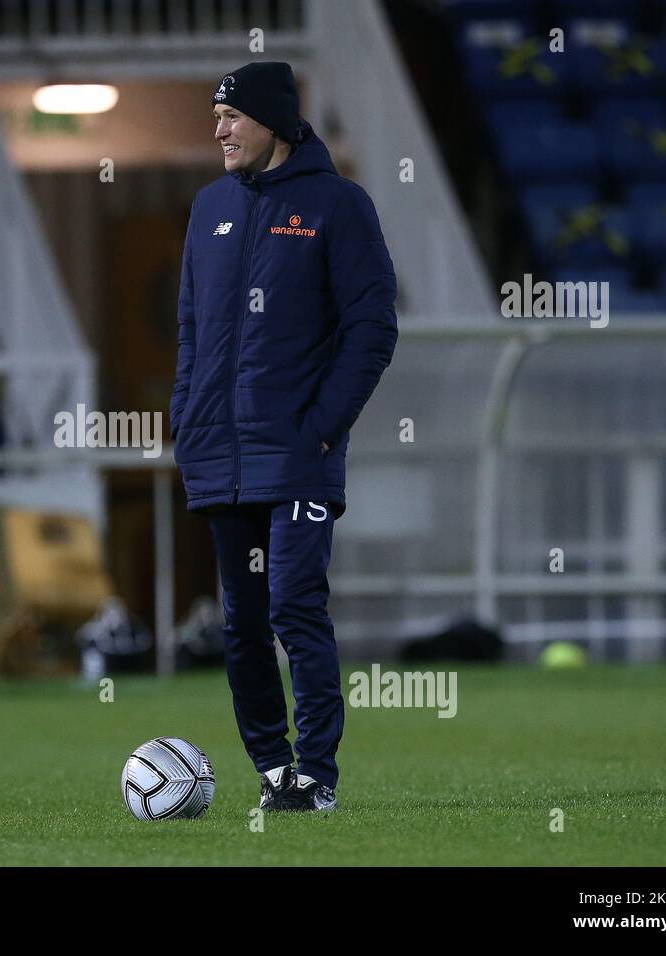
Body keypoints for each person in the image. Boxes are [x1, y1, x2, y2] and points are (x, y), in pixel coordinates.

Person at [170, 62, 398, 812]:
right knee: (240, 622)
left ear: (273, 120)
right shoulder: (208, 208)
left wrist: (323, 428)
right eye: (216, 115)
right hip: (220, 455)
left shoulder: (338, 205)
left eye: (232, 114)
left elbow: (372, 329)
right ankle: (273, 773)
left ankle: (317, 776)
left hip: (298, 453)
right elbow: (192, 333)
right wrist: (188, 424)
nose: (220, 129)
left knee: (293, 607)